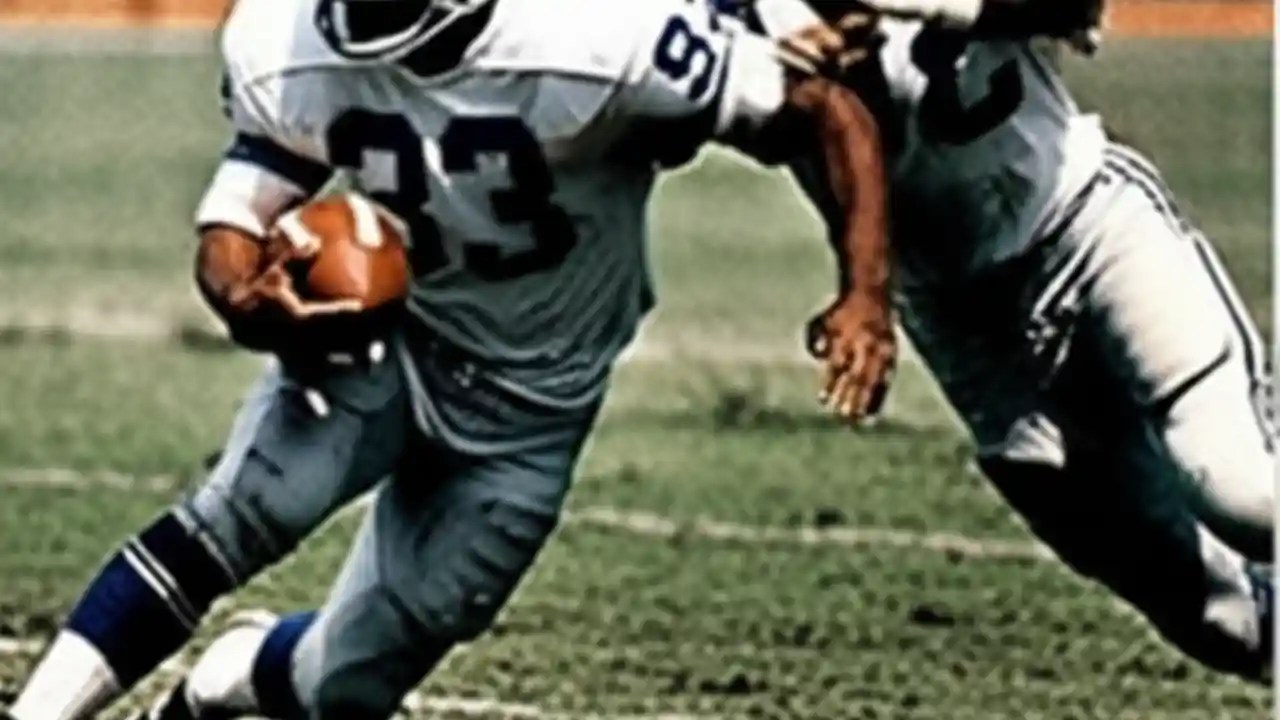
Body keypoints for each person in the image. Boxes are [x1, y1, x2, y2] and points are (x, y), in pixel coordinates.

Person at [5, 0, 894, 717]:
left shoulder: (603, 31)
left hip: (533, 406)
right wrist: (243, 295)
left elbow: (825, 111)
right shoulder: (285, 34)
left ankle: (234, 675)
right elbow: (237, 211)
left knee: (346, 689)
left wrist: (865, 293)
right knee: (240, 511)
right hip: (390, 340)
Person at [744, 0, 1275, 680]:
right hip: (964, 324)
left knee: (1246, 493)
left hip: (1086, 228)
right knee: (1222, 623)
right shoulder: (739, 13)